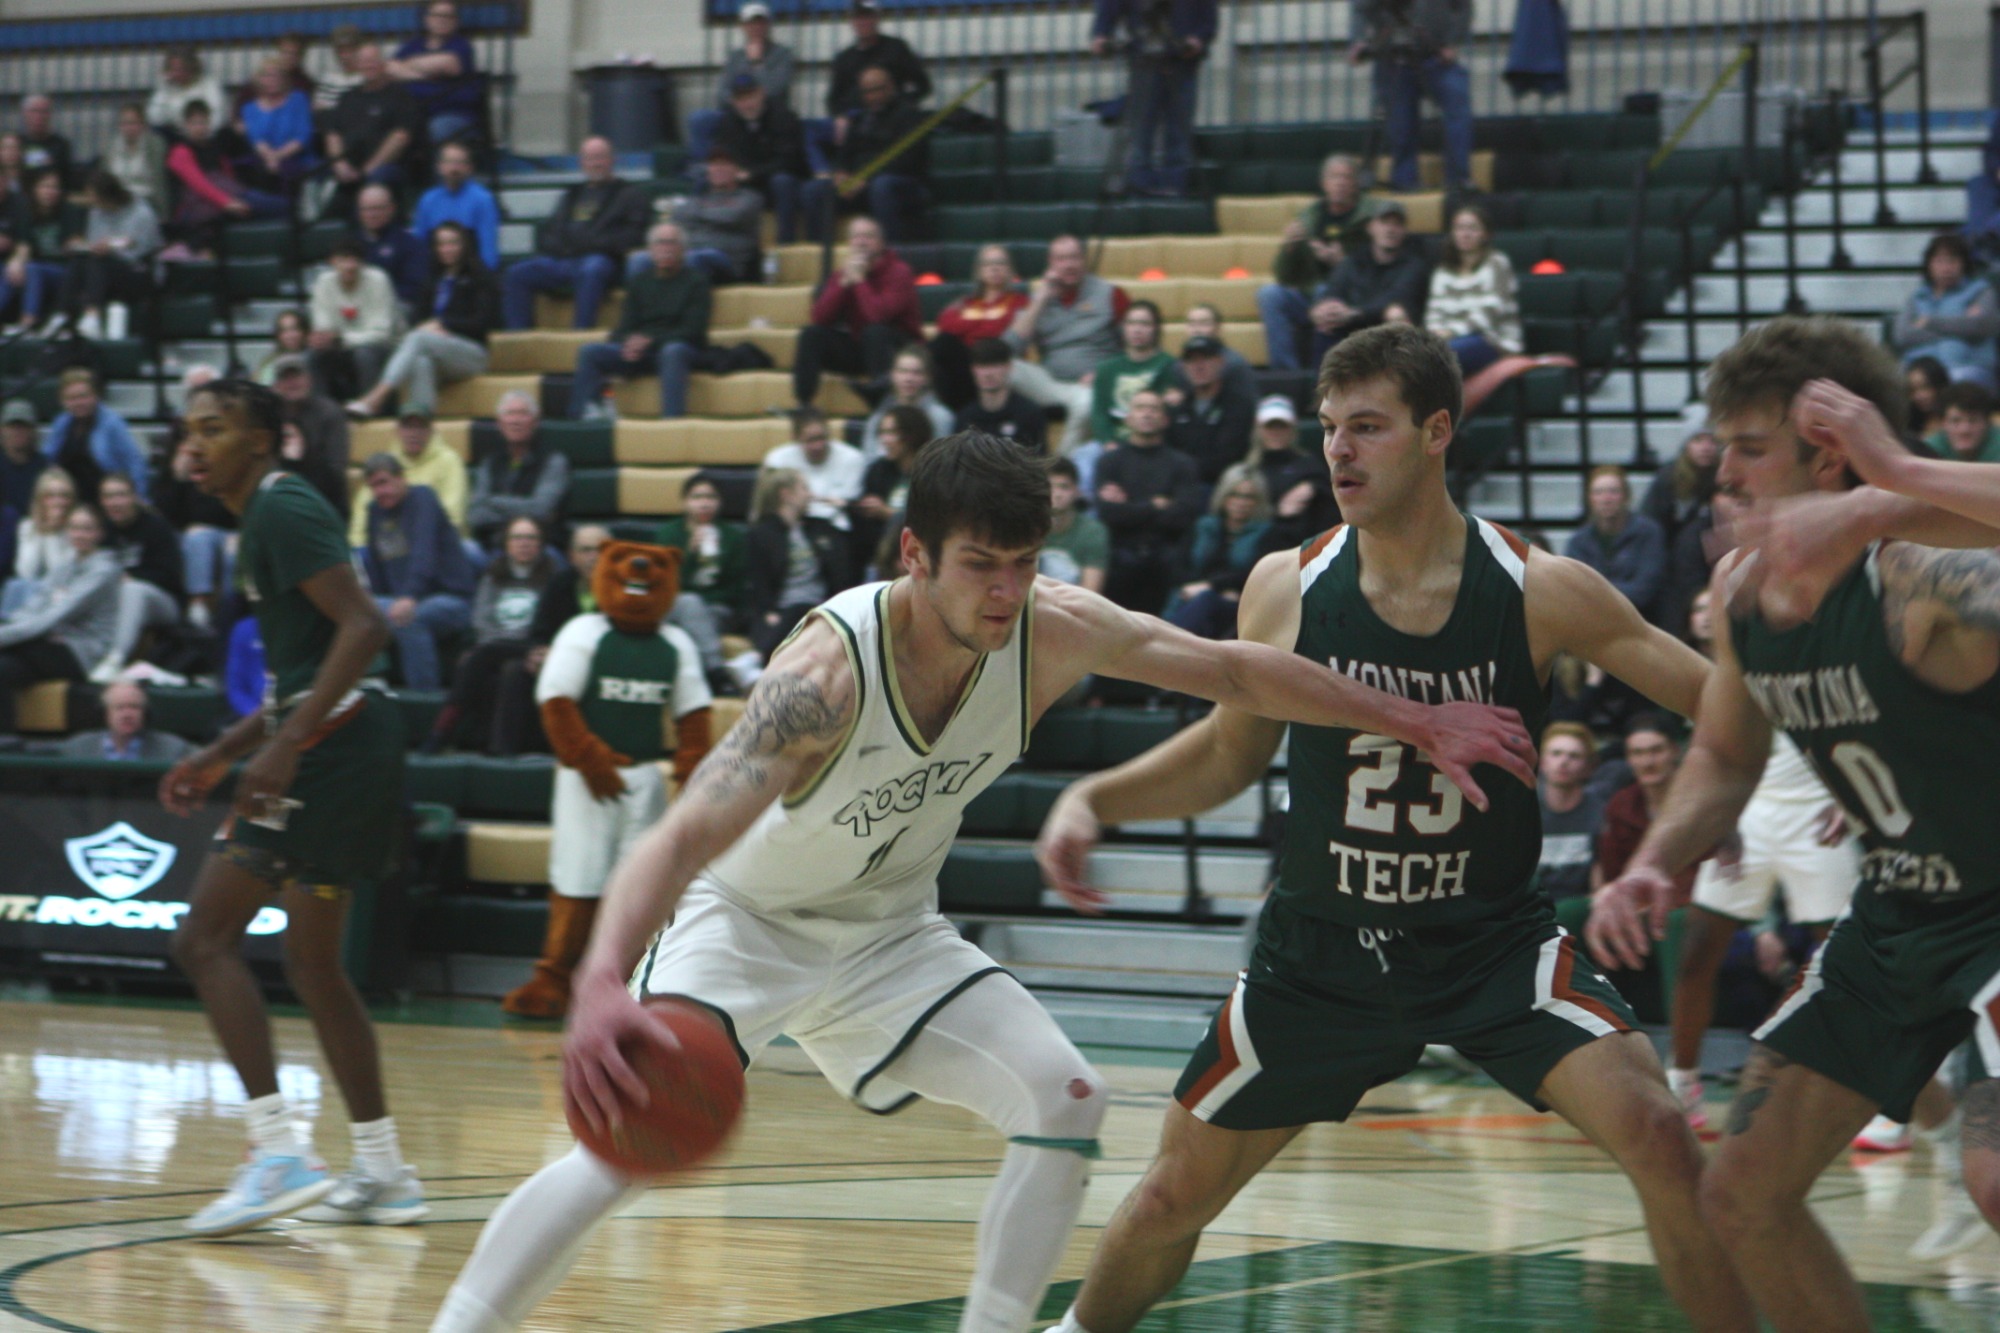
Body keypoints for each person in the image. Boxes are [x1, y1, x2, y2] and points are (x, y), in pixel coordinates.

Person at [428, 427, 1536, 1333]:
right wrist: (599, 981)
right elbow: (674, 842)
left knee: (1068, 1097)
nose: (1006, 592)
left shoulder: (1050, 629)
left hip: (890, 933)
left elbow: (1232, 669)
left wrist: (1414, 717)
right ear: (915, 553)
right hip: (749, 922)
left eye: (1024, 563)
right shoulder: (823, 676)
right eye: (980, 565)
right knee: (624, 1139)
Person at [1034, 323, 1747, 1333]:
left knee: (1659, 1134)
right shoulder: (1286, 584)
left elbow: (1722, 707)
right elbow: (1226, 756)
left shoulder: (1538, 588)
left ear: (1436, 432)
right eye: (1329, 427)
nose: (1338, 449)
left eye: (1367, 426)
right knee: (1167, 1198)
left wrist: (1732, 791)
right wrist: (1094, 799)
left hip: (1489, 942)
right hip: (1322, 951)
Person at [1584, 316, 2000, 1327]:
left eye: (1748, 447)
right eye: (1720, 445)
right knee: (1740, 1193)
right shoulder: (1738, 593)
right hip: (1899, 914)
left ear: (1826, 453)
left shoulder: (1916, 574)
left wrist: (1889, 482)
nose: (1721, 470)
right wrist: (1653, 860)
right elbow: (1726, 755)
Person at [158, 378, 422, 1235]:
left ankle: (276, 1153)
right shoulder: (266, 514)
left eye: (215, 428)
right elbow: (304, 671)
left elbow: (365, 626)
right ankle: (384, 1169)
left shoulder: (281, 507)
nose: (195, 444)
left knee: (203, 940)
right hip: (345, 744)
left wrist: (285, 746)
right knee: (313, 965)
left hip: (333, 750)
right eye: (189, 430)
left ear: (263, 439)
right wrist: (224, 749)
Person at [423, 515, 560, 753]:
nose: (524, 543)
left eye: (531, 538)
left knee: (479, 659)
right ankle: (494, 747)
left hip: (531, 647)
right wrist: (492, 647)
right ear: (507, 543)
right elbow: (481, 621)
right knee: (498, 667)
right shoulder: (492, 576)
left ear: (540, 544)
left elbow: (549, 624)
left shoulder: (554, 578)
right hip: (495, 647)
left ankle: (442, 731)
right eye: (517, 537)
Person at [347, 222, 496, 419]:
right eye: (441, 244)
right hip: (435, 348)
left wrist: (445, 325)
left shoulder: (480, 276)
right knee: (420, 362)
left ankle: (376, 398)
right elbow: (418, 318)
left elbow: (484, 321)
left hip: (472, 353)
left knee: (419, 338)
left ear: (464, 245)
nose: (447, 249)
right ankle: (423, 423)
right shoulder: (433, 278)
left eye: (453, 243)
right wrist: (431, 329)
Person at [357, 451, 476, 689]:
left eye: (383, 482)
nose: (380, 491)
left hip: (450, 597)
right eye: (373, 486)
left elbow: (424, 552)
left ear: (401, 478)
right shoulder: (375, 511)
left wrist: (409, 596)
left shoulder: (422, 498)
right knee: (357, 613)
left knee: (408, 619)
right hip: (401, 598)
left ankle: (425, 700)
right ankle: (370, 691)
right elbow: (376, 567)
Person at [570, 222, 712, 421]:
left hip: (680, 350)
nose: (666, 248)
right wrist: (628, 343)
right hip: (643, 353)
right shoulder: (639, 282)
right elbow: (624, 327)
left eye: (672, 242)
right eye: (660, 243)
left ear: (683, 249)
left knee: (673, 351)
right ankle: (580, 421)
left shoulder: (697, 282)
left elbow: (693, 330)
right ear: (651, 249)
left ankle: (672, 422)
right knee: (589, 352)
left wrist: (649, 340)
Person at [502, 136, 647, 331]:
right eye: (590, 158)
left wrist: (589, 245)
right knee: (517, 273)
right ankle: (520, 337)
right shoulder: (572, 194)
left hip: (604, 262)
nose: (595, 163)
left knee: (593, 268)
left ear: (613, 160)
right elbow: (550, 233)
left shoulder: (629, 195)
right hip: (564, 260)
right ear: (582, 163)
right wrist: (571, 248)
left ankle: (580, 333)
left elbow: (632, 237)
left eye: (600, 157)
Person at [0, 503, 119, 734]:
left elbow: (54, 616)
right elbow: (34, 607)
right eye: (74, 528)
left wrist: (4, 637)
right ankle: (7, 738)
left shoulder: (104, 570)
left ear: (100, 533)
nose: (79, 534)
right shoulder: (65, 565)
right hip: (46, 645)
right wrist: (8, 628)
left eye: (87, 529)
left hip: (80, 652)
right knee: (3, 668)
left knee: (16, 650)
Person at [1007, 235, 1130, 454]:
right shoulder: (1039, 299)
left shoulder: (1111, 294)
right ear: (1051, 264)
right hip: (1051, 382)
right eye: (1061, 259)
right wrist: (1041, 299)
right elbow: (1009, 348)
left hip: (1090, 384)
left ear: (1084, 260)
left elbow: (1134, 348)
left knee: (1086, 402)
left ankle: (1062, 465)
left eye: (1074, 257)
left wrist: (1104, 373)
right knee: (1002, 368)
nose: (1069, 265)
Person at [1089, 0, 1216, 198]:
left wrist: (1199, 38)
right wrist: (1101, 33)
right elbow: (1110, 7)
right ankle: (1141, 190)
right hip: (1143, 60)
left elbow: (1208, 18)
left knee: (1177, 131)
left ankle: (1174, 188)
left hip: (1182, 60)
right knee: (1142, 132)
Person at [1258, 155, 1372, 372]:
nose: (1340, 182)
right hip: (1309, 293)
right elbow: (1284, 276)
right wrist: (1290, 249)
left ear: (1355, 184)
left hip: (1347, 298)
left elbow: (1375, 271)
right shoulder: (1309, 217)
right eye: (1334, 177)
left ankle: (1323, 375)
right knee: (1268, 294)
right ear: (1324, 183)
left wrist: (1341, 263)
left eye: (1346, 177)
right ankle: (1286, 374)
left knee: (1323, 292)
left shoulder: (1367, 219)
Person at [1094, 388, 1204, 613]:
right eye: (1140, 408)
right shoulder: (1109, 462)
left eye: (1154, 409)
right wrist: (1154, 505)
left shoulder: (1183, 464)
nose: (1147, 413)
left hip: (1166, 554)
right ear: (1128, 418)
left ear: (1165, 419)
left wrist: (1130, 508)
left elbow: (1183, 516)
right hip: (1120, 554)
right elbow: (1108, 513)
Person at [793, 214, 919, 409]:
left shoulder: (899, 272)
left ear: (881, 243)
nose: (861, 242)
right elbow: (820, 318)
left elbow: (878, 316)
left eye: (868, 236)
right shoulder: (844, 273)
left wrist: (860, 282)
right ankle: (804, 405)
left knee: (874, 332)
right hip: (862, 347)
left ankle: (885, 405)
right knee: (811, 334)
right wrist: (842, 286)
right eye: (856, 237)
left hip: (899, 350)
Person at [1352, 0, 1473, 194]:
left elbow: (1464, 6)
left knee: (1457, 109)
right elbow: (1361, 8)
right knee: (1401, 126)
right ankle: (1405, 183)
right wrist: (1359, 40)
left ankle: (1458, 180)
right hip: (1392, 59)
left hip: (1437, 56)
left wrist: (1452, 41)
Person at [808, 64, 929, 245]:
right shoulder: (859, 118)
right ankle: (820, 251)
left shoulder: (909, 115)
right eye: (866, 92)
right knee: (815, 190)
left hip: (900, 183)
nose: (872, 97)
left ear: (890, 87)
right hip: (860, 184)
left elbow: (906, 160)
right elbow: (844, 153)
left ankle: (890, 251)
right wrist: (841, 173)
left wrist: (866, 177)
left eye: (877, 90)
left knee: (882, 186)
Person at [1308, 198, 1428, 367]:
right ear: (1370, 227)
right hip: (1351, 329)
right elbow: (1333, 290)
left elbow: (1397, 298)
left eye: (1397, 224)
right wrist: (1323, 310)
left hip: (1384, 333)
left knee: (1396, 316)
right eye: (1384, 223)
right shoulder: (1353, 260)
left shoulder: (1414, 266)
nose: (1390, 229)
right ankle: (1320, 383)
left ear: (1404, 231)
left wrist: (1353, 313)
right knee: (1326, 322)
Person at [742, 465, 847, 656]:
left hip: (820, 607)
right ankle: (762, 657)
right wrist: (768, 612)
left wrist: (843, 508)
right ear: (786, 495)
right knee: (795, 614)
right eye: (804, 488)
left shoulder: (819, 528)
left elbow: (844, 565)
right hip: (781, 610)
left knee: (804, 611)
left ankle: (756, 660)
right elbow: (758, 582)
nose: (810, 495)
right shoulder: (761, 534)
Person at [167, 98, 286, 259]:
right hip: (201, 205)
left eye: (203, 123)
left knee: (279, 208)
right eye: (195, 123)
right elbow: (199, 183)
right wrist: (227, 203)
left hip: (231, 195)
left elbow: (228, 176)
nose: (200, 128)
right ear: (186, 125)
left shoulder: (213, 147)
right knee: (275, 206)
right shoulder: (180, 151)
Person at [97, 471, 185, 679]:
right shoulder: (101, 531)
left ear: (134, 497)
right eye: (108, 496)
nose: (115, 502)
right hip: (114, 600)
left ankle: (116, 658)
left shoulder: (156, 527)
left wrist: (132, 577)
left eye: (121, 495)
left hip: (162, 601)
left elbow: (170, 576)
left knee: (132, 589)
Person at [1166, 463, 1267, 639]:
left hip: (1238, 605)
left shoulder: (1268, 533)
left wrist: (1212, 587)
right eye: (1234, 495)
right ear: (1223, 496)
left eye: (1248, 497)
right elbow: (1178, 567)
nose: (1240, 502)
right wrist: (1195, 587)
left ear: (1259, 501)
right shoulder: (1203, 526)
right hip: (1190, 596)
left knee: (1207, 600)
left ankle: (1169, 642)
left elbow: (1255, 574)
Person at [348, 404, 469, 546]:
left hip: (441, 542)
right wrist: (357, 546)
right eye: (408, 427)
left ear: (431, 430)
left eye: (420, 427)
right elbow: (363, 511)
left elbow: (453, 516)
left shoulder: (449, 461)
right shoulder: (385, 464)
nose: (414, 433)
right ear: (397, 431)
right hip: (392, 544)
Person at [464, 391, 571, 551]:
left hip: (541, 549)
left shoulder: (553, 461)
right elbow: (475, 515)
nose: (516, 420)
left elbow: (541, 510)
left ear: (535, 422)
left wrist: (493, 501)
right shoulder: (489, 463)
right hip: (494, 548)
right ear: (500, 423)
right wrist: (524, 508)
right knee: (467, 550)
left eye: (523, 414)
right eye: (510, 414)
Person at [1425, 204, 1523, 377]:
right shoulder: (1442, 271)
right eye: (1460, 228)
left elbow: (1489, 313)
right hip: (1448, 342)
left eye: (1473, 228)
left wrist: (1450, 333)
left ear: (1486, 234)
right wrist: (1436, 334)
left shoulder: (1497, 263)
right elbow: (1434, 313)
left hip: (1494, 342)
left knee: (1440, 356)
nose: (1465, 234)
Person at [61, 171, 159, 341]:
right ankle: (62, 315)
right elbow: (94, 242)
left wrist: (113, 247)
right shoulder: (96, 212)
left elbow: (143, 249)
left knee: (100, 262)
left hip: (138, 271)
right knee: (79, 261)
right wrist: (81, 245)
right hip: (105, 269)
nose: (91, 201)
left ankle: (92, 316)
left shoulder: (141, 213)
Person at [324, 46, 421, 216]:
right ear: (357, 66)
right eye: (363, 61)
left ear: (383, 64)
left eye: (372, 61)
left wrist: (370, 168)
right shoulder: (347, 98)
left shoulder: (400, 96)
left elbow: (401, 136)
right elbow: (333, 134)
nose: (368, 65)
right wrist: (339, 164)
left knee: (376, 180)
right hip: (349, 171)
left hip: (386, 169)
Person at [1565, 464, 1668, 625]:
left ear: (1626, 496)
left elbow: (1645, 590)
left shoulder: (1649, 533)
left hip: (1642, 622)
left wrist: (1596, 593)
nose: (1606, 499)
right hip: (1593, 624)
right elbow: (1575, 590)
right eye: (1598, 492)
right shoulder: (1578, 541)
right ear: (1590, 499)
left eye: (1613, 491)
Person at [930, 245, 1029, 412]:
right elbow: (945, 324)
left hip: (996, 362)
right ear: (979, 271)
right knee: (943, 344)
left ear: (1010, 269)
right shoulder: (967, 302)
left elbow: (998, 332)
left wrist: (969, 324)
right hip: (964, 364)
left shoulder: (1020, 302)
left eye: (1000, 263)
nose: (994, 268)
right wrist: (985, 320)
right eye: (988, 264)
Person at [1893, 233, 1998, 390]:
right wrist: (1961, 325)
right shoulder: (1917, 297)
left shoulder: (1980, 291)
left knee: (1955, 383)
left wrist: (1929, 322)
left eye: (1952, 261)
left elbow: (1982, 325)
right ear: (1929, 265)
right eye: (1940, 261)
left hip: (1966, 368)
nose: (1946, 268)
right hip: (1919, 371)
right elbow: (1902, 335)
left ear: (1964, 264)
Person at [712, 73, 807, 244]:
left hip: (772, 181)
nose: (747, 104)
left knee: (783, 182)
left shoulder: (783, 116)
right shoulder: (728, 121)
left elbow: (790, 160)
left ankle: (786, 244)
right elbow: (723, 152)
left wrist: (753, 173)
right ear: (733, 102)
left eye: (750, 97)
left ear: (761, 93)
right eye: (740, 99)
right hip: (742, 181)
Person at [310, 240, 402, 404]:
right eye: (343, 260)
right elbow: (324, 329)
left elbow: (382, 334)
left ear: (363, 263)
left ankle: (369, 408)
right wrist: (324, 338)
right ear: (332, 262)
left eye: (354, 260)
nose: (349, 266)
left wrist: (341, 338)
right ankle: (322, 410)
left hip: (384, 348)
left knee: (364, 354)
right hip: (343, 349)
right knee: (312, 356)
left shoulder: (378, 280)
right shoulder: (323, 282)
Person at [1244, 394, 1338, 553]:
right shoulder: (1247, 469)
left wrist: (1313, 487)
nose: (1276, 432)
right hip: (1254, 541)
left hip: (1300, 540)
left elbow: (1329, 494)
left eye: (1282, 426)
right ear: (1258, 429)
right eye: (1270, 426)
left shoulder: (1309, 466)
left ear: (1292, 429)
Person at [655, 472, 747, 632]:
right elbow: (665, 582)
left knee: (694, 610)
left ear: (720, 502)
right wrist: (690, 554)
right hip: (676, 604)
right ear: (685, 502)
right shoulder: (669, 534)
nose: (704, 503)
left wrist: (701, 600)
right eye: (697, 497)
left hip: (716, 607)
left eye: (711, 497)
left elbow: (736, 589)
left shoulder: (733, 537)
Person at [42, 370, 147, 504]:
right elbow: (48, 459)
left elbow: (134, 462)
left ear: (95, 396)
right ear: (63, 401)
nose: (78, 402)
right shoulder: (61, 423)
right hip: (70, 500)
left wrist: (138, 497)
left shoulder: (112, 423)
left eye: (83, 396)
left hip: (106, 499)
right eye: (72, 398)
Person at [1165, 334, 1257, 484]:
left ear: (1220, 362)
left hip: (1221, 485)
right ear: (1184, 367)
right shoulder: (1178, 408)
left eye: (1205, 359)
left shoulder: (1238, 406)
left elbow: (1226, 458)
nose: (1198, 366)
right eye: (1191, 360)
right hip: (1182, 485)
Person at [389, 0, 482, 149]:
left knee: (433, 130)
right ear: (427, 19)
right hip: (415, 112)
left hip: (452, 114)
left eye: (448, 16)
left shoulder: (462, 45)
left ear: (456, 21)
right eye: (437, 15)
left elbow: (448, 63)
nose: (442, 20)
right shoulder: (413, 45)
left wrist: (406, 68)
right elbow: (390, 68)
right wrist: (426, 75)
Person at [852, 402, 931, 573]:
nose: (884, 440)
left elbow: (930, 520)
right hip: (880, 555)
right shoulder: (878, 470)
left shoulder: (931, 473)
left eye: (891, 433)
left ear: (911, 434)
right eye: (882, 433)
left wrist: (887, 513)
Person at [761, 407, 867, 533]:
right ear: (796, 438)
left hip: (836, 530)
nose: (818, 446)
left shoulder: (852, 459)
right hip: (790, 527)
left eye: (822, 438)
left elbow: (847, 505)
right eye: (810, 440)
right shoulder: (777, 460)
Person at [271, 355, 353, 518]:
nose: (292, 383)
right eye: (286, 378)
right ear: (276, 386)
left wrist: (299, 459)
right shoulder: (271, 416)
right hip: (281, 503)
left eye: (296, 376)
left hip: (325, 505)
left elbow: (335, 475)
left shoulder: (330, 413)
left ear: (309, 379)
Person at [1536, 720, 1605, 905]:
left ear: (1589, 767)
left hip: (1579, 906)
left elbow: (1599, 875)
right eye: (1556, 753)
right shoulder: (1523, 809)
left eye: (1574, 756)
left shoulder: (1600, 811)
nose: (1563, 762)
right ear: (1542, 762)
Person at [672, 147, 764, 285]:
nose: (719, 169)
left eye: (725, 164)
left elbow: (732, 216)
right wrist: (712, 214)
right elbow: (678, 216)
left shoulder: (750, 198)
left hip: (729, 263)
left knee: (695, 258)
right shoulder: (700, 198)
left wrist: (698, 215)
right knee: (642, 259)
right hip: (694, 253)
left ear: (738, 171)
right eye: (714, 165)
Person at [1088, 300, 1175, 446]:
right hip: (1113, 443)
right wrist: (1108, 443)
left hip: (1153, 443)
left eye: (1145, 324)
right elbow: (1099, 414)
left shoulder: (1170, 366)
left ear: (1156, 329)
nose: (1137, 329)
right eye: (1131, 323)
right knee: (1083, 456)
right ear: (1123, 328)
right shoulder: (1106, 368)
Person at [826, 0, 930, 120]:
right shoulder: (844, 59)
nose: (863, 22)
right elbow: (833, 100)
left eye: (868, 17)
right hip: (858, 124)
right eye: (858, 18)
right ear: (852, 21)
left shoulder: (896, 49)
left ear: (877, 18)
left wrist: (903, 105)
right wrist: (841, 118)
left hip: (895, 121)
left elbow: (923, 86)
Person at [412, 141, 501, 271]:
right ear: (439, 167)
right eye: (449, 162)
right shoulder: (428, 200)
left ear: (470, 168)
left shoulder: (483, 199)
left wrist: (484, 277)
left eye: (460, 163)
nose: (454, 168)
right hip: (436, 272)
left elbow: (488, 249)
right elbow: (420, 245)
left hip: (471, 272)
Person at [6, 169, 77, 333]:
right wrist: (16, 262)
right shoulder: (27, 212)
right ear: (35, 189)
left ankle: (27, 323)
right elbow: (24, 245)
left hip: (64, 270)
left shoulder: (69, 211)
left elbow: (75, 240)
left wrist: (73, 244)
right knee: (13, 270)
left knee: (32, 268)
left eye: (54, 187)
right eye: (45, 187)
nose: (50, 192)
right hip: (37, 268)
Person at [236, 58, 319, 194]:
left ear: (284, 79)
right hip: (264, 160)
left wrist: (277, 157)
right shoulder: (249, 109)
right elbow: (256, 140)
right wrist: (271, 158)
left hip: (296, 159)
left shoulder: (298, 99)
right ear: (259, 80)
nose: (272, 80)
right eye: (267, 75)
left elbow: (303, 136)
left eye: (277, 75)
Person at [60, 679, 194, 761]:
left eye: (134, 707)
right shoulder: (78, 748)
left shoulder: (173, 749)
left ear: (145, 713)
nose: (127, 714)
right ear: (105, 713)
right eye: (119, 708)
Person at [861, 344, 954, 458]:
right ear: (892, 375)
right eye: (903, 371)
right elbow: (870, 460)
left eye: (917, 373)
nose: (909, 378)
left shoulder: (941, 417)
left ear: (928, 377)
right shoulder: (879, 416)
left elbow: (941, 461)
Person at [960, 337, 1050, 456]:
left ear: (1009, 367)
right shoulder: (966, 417)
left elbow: (1039, 458)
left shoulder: (1030, 414)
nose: (988, 373)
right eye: (982, 366)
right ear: (973, 369)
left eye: (994, 365)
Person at [351, 184, 429, 311]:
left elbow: (415, 287)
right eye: (366, 209)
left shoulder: (409, 244)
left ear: (391, 209)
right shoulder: (351, 243)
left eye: (377, 209)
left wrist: (376, 296)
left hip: (393, 307)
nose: (372, 214)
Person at [1040, 456, 1108, 594]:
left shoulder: (1093, 531)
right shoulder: (1026, 529)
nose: (1056, 494)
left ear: (1077, 491)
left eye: (1064, 487)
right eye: (1049, 486)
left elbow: (1090, 591)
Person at [102, 103, 167, 210]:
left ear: (143, 124)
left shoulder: (155, 145)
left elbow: (159, 181)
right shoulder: (110, 147)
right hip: (116, 200)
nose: (129, 127)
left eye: (133, 123)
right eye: (125, 123)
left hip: (145, 200)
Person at [147, 47, 226, 133]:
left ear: (191, 67)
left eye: (180, 69)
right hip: (175, 135)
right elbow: (154, 118)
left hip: (204, 135)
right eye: (172, 69)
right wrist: (165, 89)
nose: (176, 73)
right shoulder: (166, 89)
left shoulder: (209, 86)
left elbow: (218, 117)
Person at [1926, 380, 2000, 462]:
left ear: (1987, 423)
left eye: (1973, 421)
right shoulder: (1929, 448)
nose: (1964, 430)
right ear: (1943, 424)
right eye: (1955, 421)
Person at [18, 94, 73, 189]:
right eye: (34, 111)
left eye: (44, 111)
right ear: (24, 114)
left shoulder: (60, 145)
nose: (39, 116)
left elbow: (66, 177)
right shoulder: (16, 143)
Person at [311, 26, 367, 114]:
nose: (345, 56)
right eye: (341, 51)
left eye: (350, 50)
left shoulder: (366, 80)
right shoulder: (327, 80)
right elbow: (319, 110)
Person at [254, 310, 312, 386]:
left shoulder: (316, 359)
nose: (290, 335)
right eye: (284, 330)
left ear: (304, 331)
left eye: (294, 329)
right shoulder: (269, 363)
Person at [1906, 355, 1950, 437]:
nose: (1918, 396)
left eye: (1925, 387)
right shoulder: (1908, 424)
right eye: (1912, 390)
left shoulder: (1957, 416)